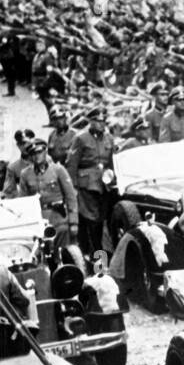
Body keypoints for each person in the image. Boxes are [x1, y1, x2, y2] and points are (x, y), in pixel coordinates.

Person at [9, 139, 80, 249]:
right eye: (33, 154)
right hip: (38, 220)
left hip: (59, 218)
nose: (37, 156)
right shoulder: (26, 174)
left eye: (39, 152)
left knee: (66, 252)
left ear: (45, 151)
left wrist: (74, 222)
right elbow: (22, 201)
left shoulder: (58, 170)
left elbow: (71, 197)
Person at [66, 109, 115, 257]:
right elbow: (72, 164)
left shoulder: (108, 138)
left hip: (105, 184)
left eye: (103, 121)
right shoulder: (81, 138)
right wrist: (72, 188)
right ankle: (98, 255)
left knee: (103, 219)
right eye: (98, 121)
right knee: (93, 221)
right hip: (86, 185)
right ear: (91, 122)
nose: (101, 124)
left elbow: (112, 161)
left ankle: (97, 252)